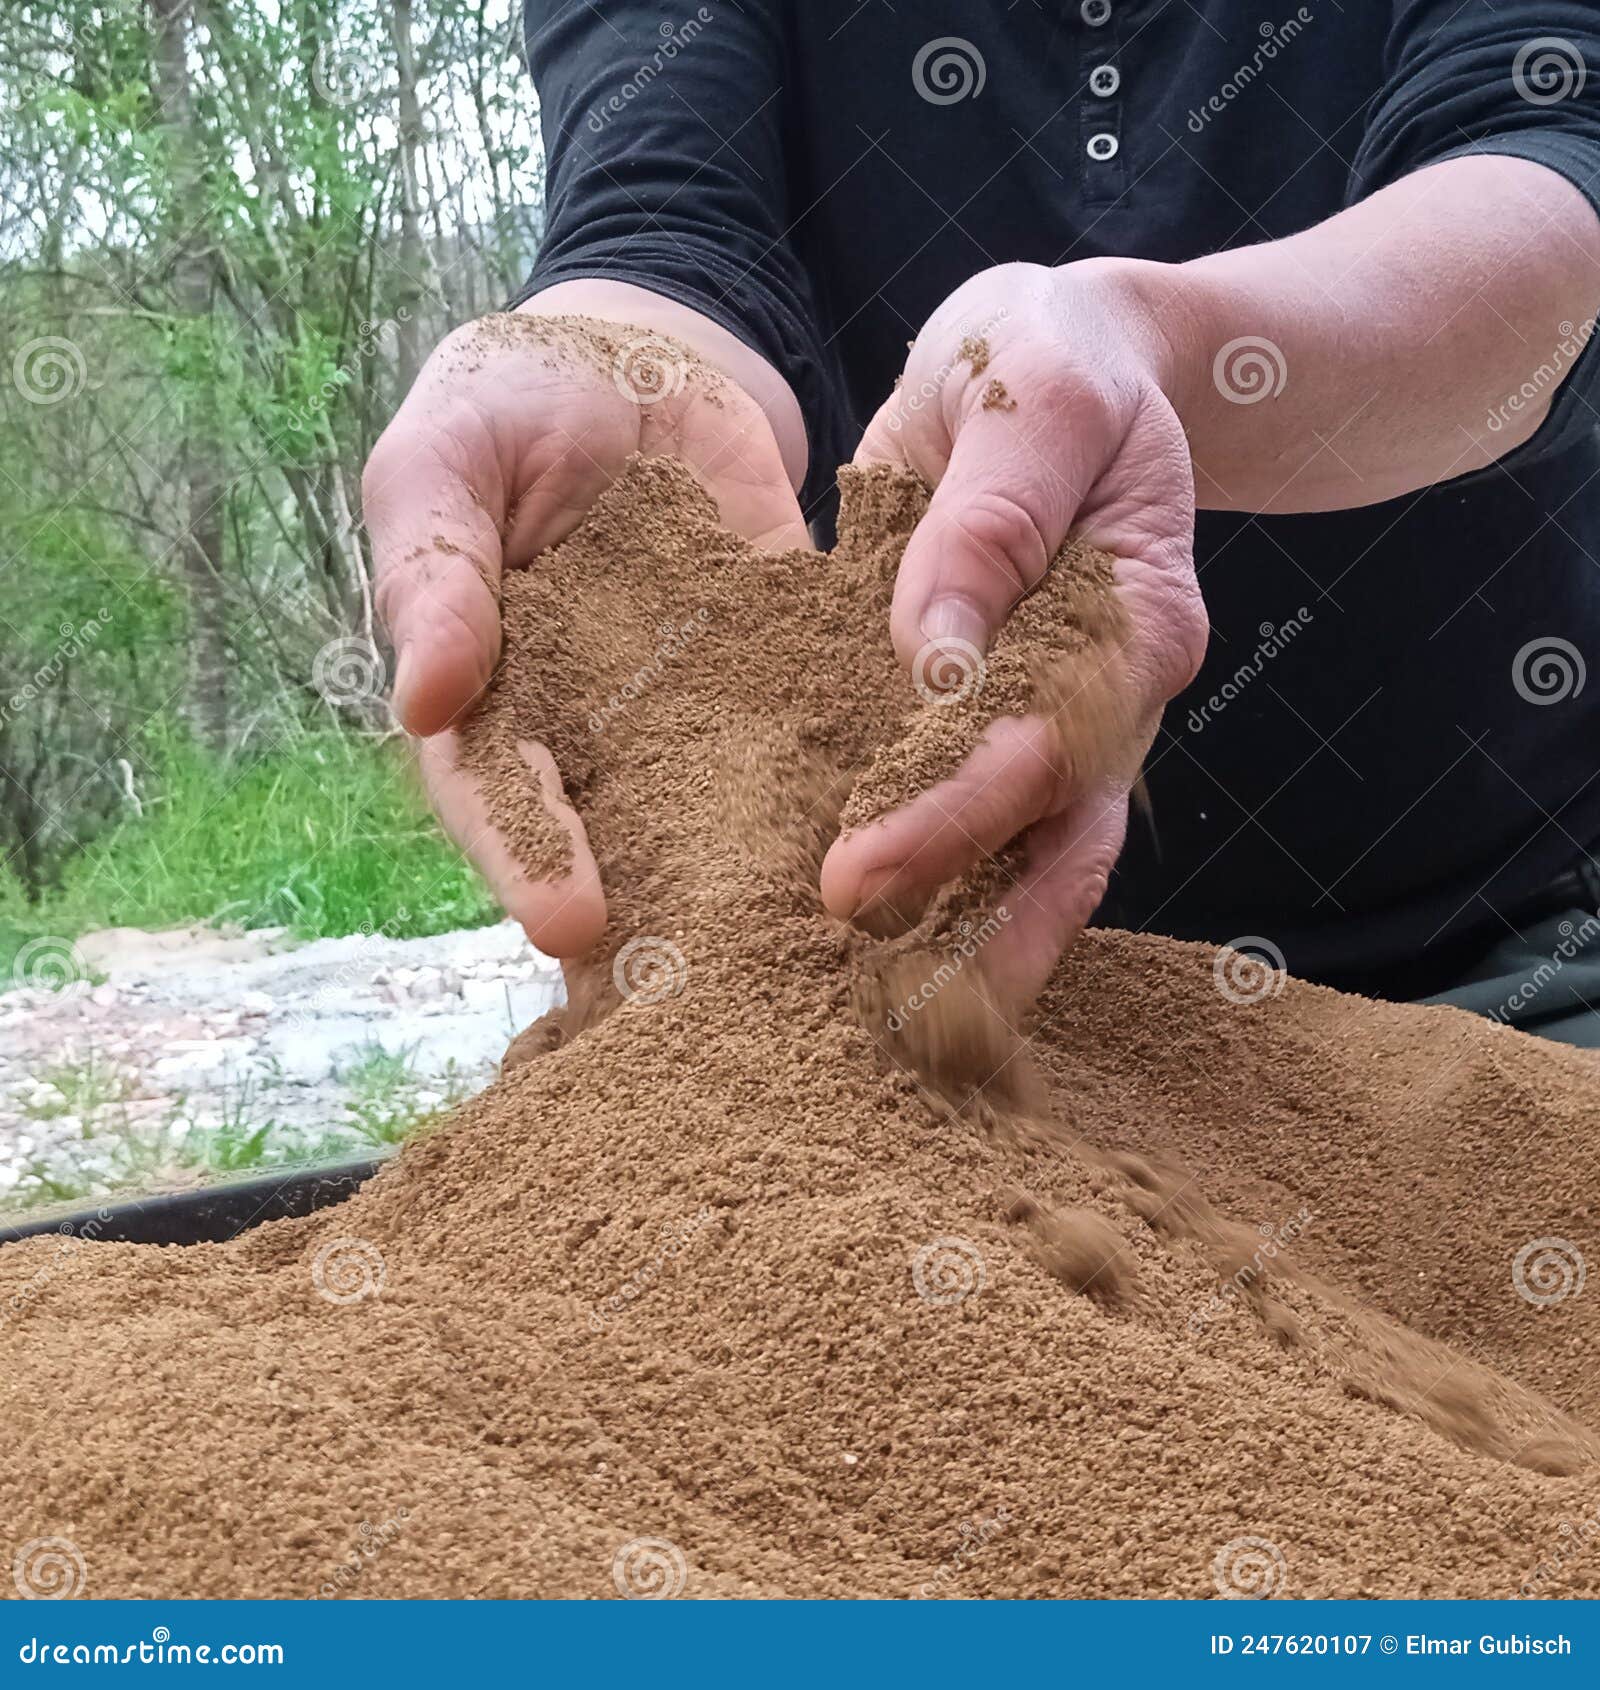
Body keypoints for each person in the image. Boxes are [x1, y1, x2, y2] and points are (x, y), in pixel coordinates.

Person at [363, 3, 1600, 1044]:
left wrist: (1157, 353)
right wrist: (590, 361)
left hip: (1496, 953)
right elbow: (660, 218)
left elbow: (1545, 158)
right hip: (875, 989)